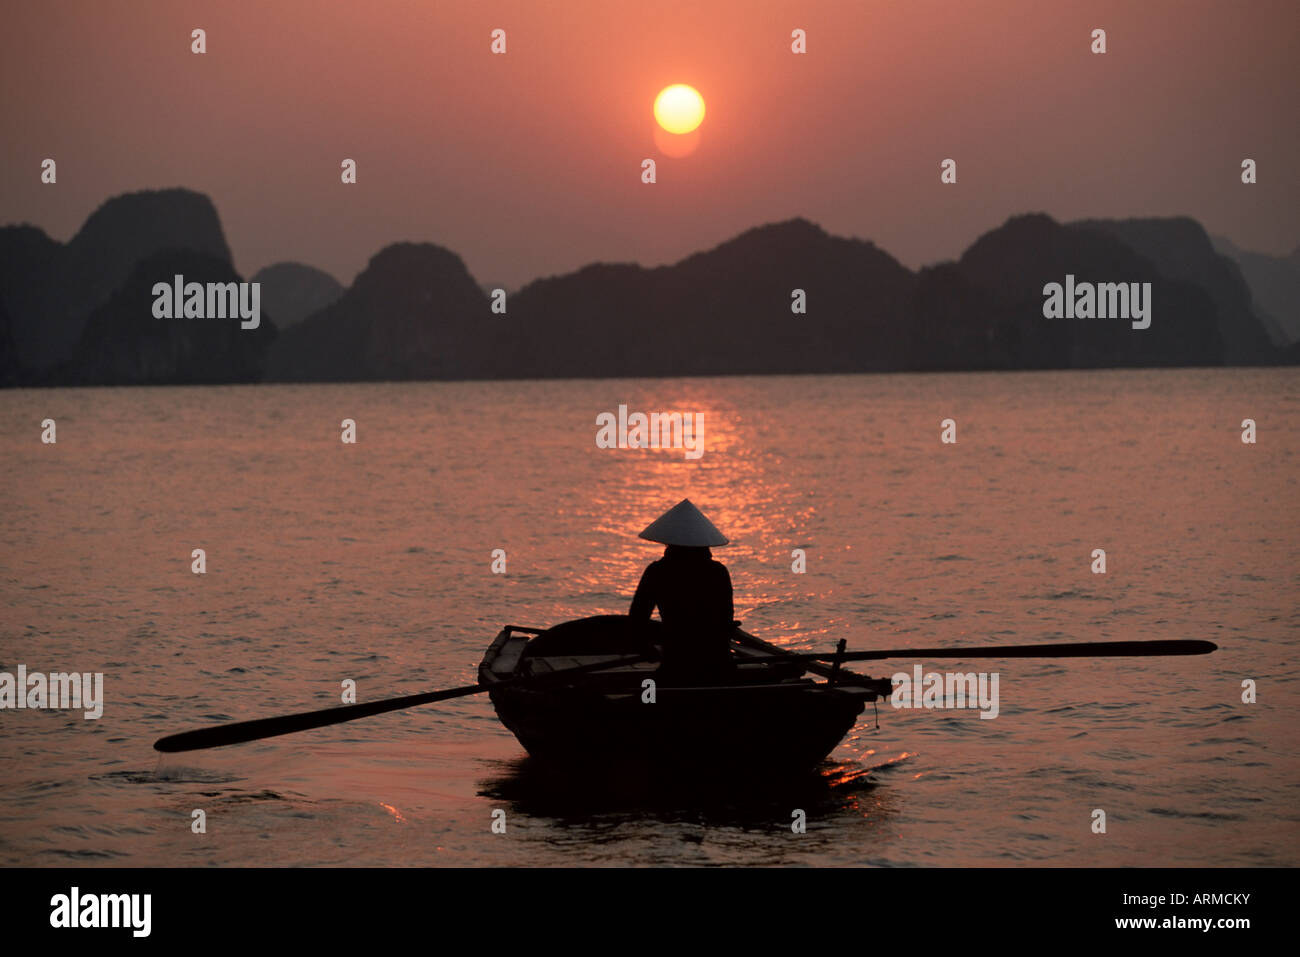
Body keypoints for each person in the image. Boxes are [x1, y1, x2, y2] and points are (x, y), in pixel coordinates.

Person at [629, 499, 736, 684]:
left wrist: (645, 648)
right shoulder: (718, 571)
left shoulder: (658, 571)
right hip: (718, 662)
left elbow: (637, 619)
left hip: (676, 661)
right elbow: (726, 619)